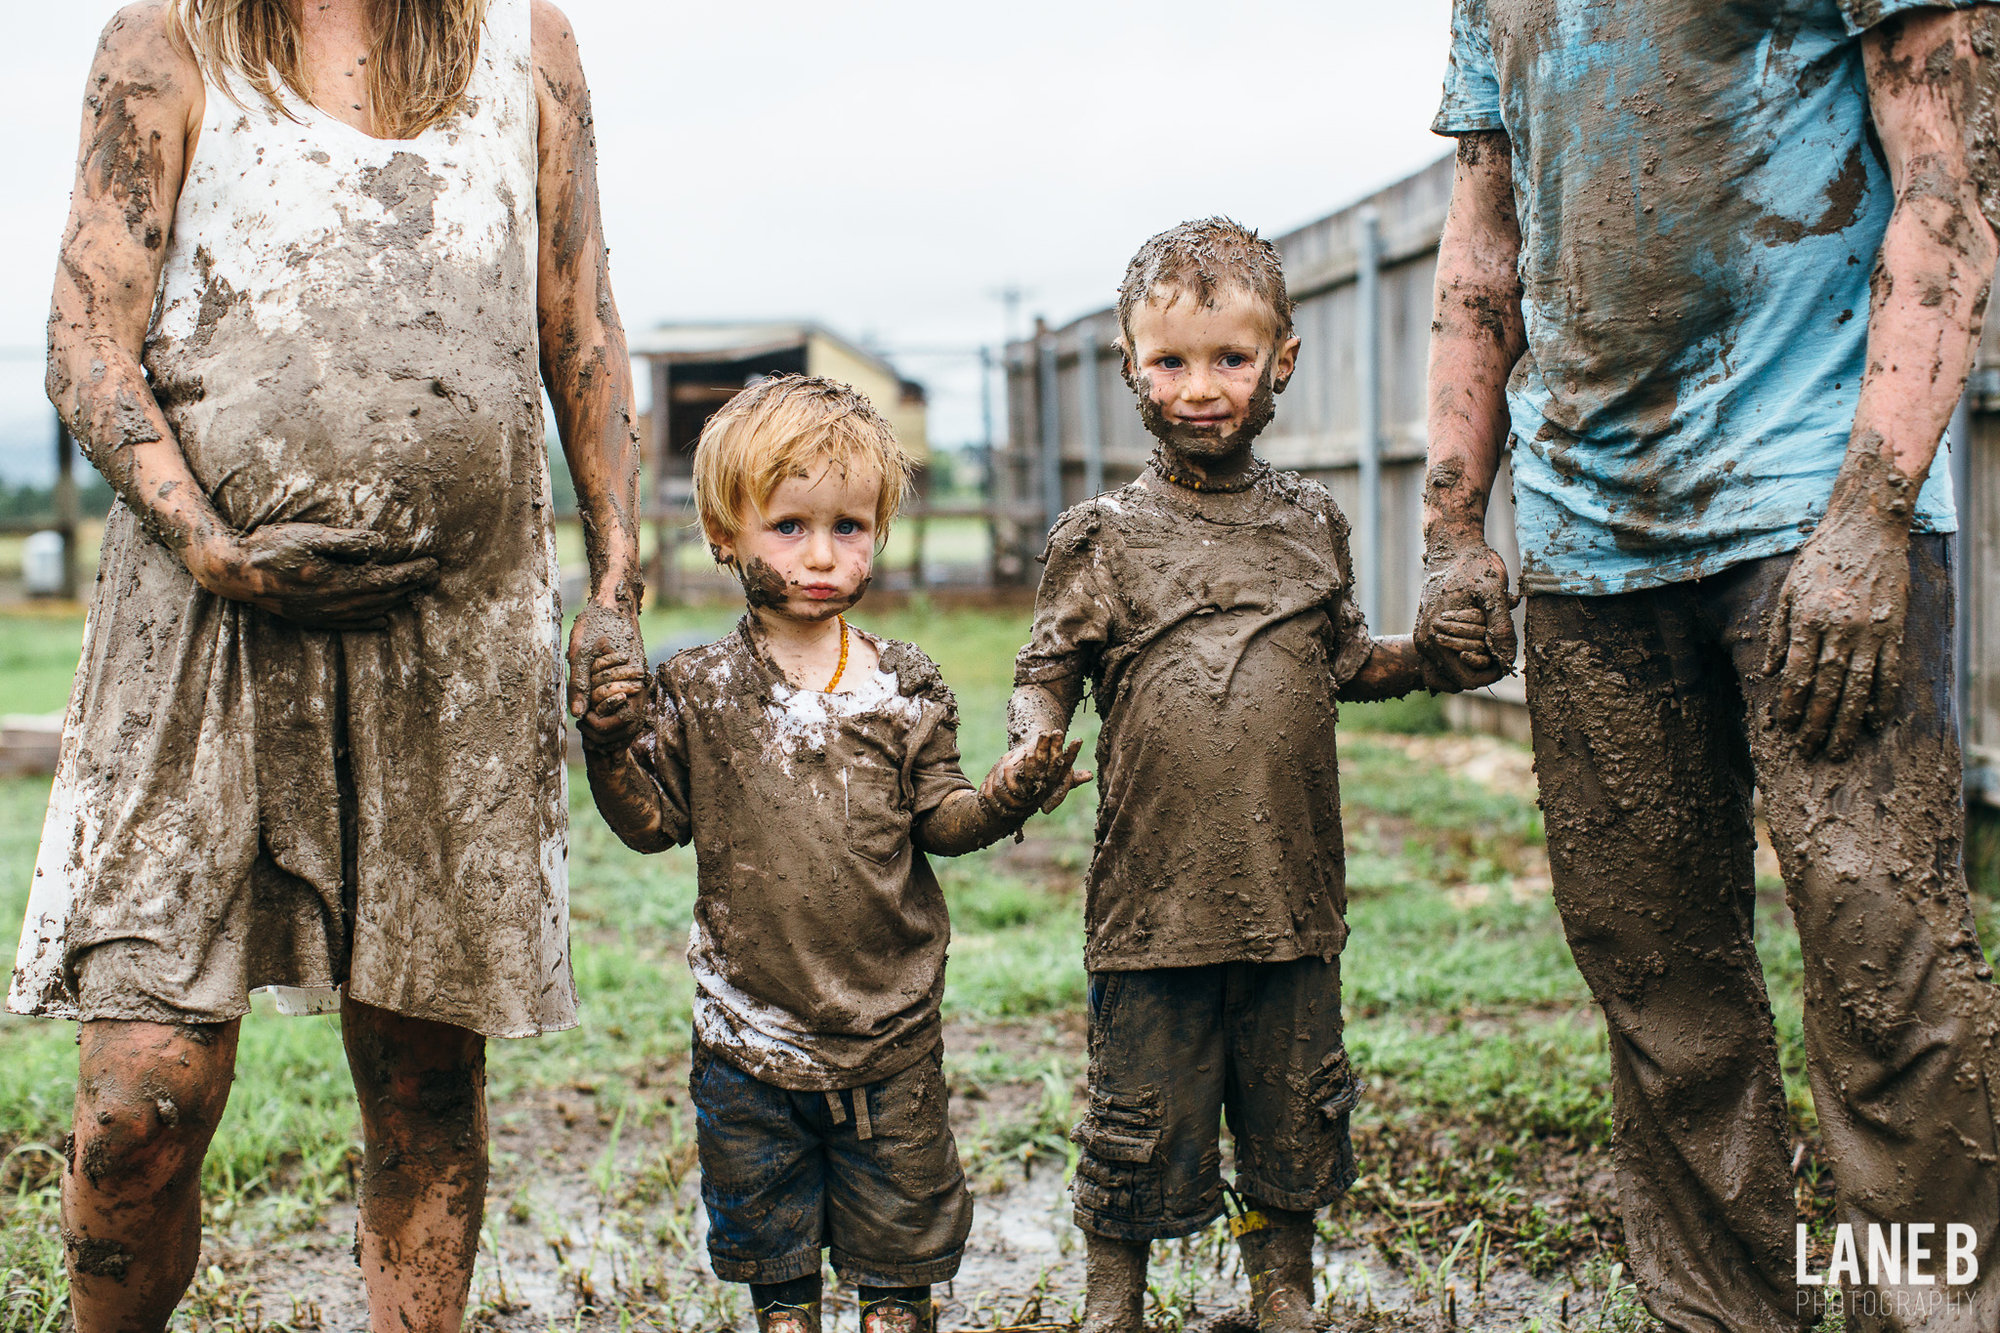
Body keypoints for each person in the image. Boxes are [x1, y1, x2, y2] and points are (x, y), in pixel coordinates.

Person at [13, 0, 645, 1327]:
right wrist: (209, 543)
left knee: (424, 1083)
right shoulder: (168, 35)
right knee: (141, 1099)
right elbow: (85, 339)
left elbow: (579, 327)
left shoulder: (525, 44)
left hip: (453, 641)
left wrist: (620, 582)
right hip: (202, 631)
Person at [1419, 5, 2000, 1329]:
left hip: (1817, 519)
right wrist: (1454, 529)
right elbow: (1483, 243)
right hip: (1588, 537)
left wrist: (1870, 517)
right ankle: (1721, 1314)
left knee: (1886, 973)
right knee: (1657, 988)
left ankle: (1927, 1317)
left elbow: (1949, 190)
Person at [1004, 219, 1496, 1333]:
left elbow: (1342, 663)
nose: (1197, 387)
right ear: (1129, 366)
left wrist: (1431, 658)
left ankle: (1283, 1294)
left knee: (1293, 1114)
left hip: (1288, 894)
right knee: (1132, 1114)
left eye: (1228, 358)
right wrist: (1029, 740)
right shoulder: (1101, 536)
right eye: (1169, 361)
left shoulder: (1310, 523)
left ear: (1280, 360)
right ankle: (1110, 1302)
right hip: (1151, 903)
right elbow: (1046, 668)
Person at [577, 374, 1087, 1333]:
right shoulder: (697, 686)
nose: (822, 555)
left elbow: (940, 818)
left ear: (880, 529)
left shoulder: (906, 683)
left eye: (849, 527)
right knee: (780, 1282)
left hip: (890, 1036)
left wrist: (1009, 796)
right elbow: (652, 822)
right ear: (724, 532)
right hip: (748, 1037)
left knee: (899, 1275)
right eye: (790, 527)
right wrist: (609, 747)